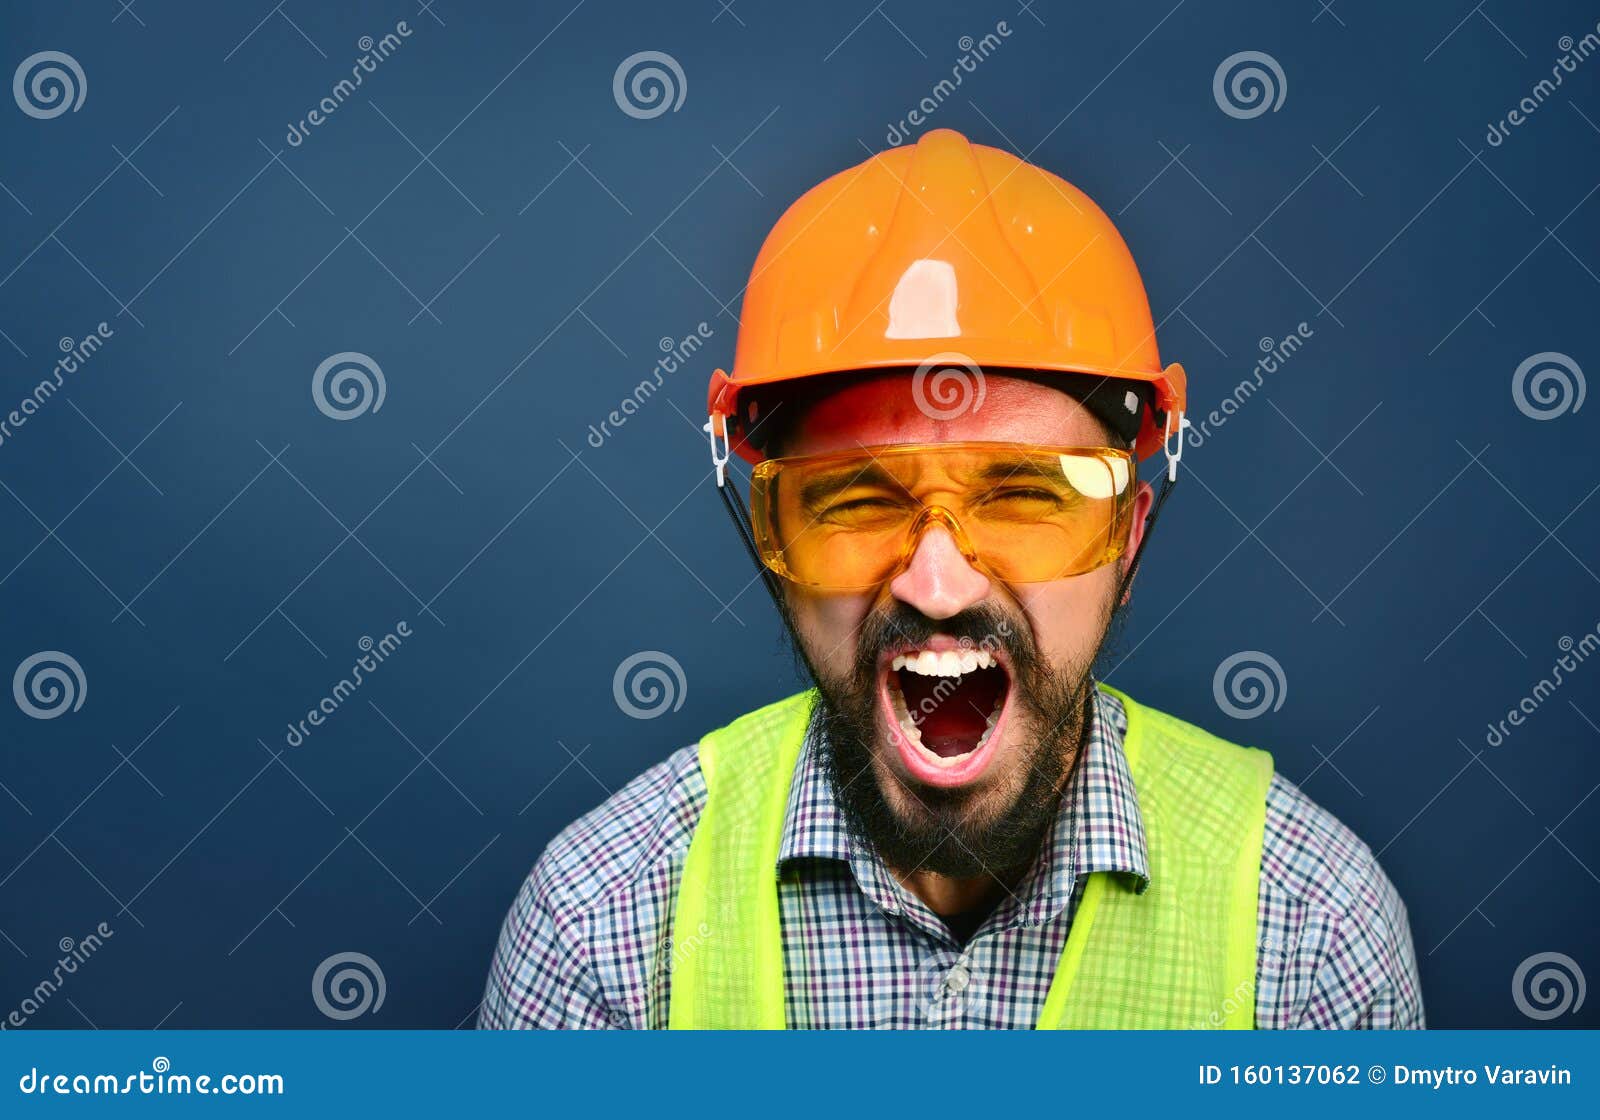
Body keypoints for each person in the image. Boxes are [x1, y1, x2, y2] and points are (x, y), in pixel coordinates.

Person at [481, 129, 1422, 1029]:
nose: (937, 585)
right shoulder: (599, 926)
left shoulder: (1310, 933)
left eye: (1021, 495)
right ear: (768, 536)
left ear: (1128, 539)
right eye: (854, 502)